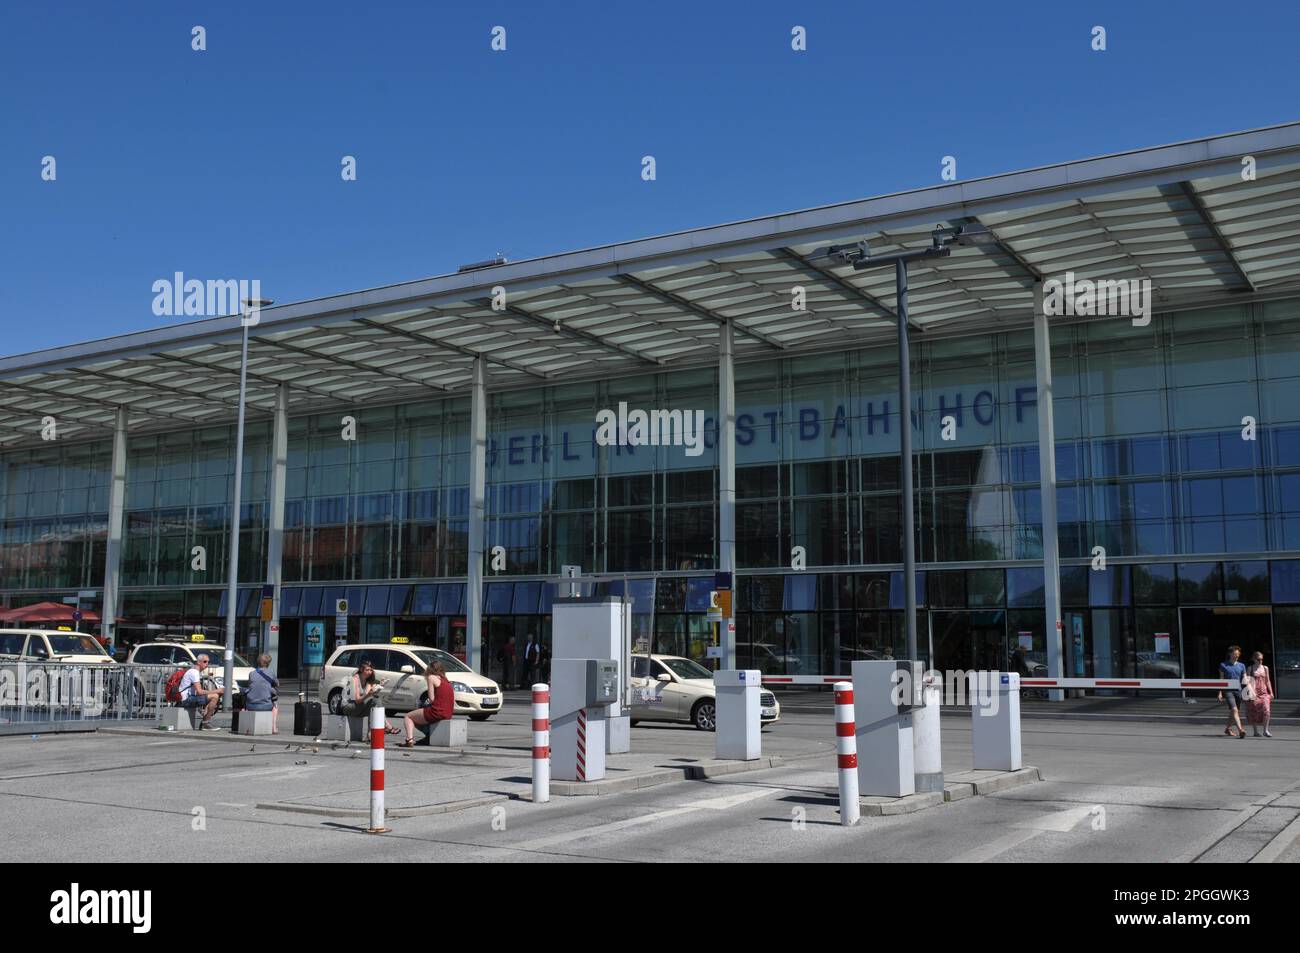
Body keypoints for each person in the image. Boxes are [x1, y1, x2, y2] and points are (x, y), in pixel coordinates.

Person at [401, 660, 455, 747]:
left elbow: (431, 699)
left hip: (437, 711)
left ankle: (409, 740)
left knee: (408, 717)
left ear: (429, 669)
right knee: (419, 716)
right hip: (448, 713)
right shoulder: (446, 681)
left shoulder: (431, 677)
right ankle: (429, 736)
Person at [340, 658, 399, 734]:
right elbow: (358, 700)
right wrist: (368, 694)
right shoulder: (355, 679)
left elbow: (370, 695)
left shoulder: (368, 680)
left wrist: (380, 686)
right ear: (361, 669)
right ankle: (387, 727)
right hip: (348, 707)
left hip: (358, 707)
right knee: (374, 701)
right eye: (367, 670)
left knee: (375, 702)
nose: (369, 672)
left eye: (371, 670)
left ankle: (370, 733)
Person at [178, 653, 222, 730]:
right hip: (186, 699)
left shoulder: (196, 672)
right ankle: (206, 723)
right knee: (215, 696)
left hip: (189, 697)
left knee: (213, 696)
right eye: (205, 662)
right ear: (198, 662)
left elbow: (199, 692)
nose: (207, 664)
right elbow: (200, 692)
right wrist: (217, 690)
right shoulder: (194, 672)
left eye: (208, 662)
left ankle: (205, 723)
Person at [243, 653, 279, 735]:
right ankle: (273, 727)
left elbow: (251, 685)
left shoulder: (251, 674)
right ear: (269, 663)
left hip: (250, 705)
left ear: (258, 662)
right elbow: (277, 684)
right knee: (275, 705)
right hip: (266, 706)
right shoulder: (271, 672)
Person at [1218, 645, 1247, 739]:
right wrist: (1220, 692)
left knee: (1234, 711)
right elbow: (1221, 679)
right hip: (1228, 690)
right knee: (1234, 710)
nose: (1237, 655)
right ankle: (1241, 730)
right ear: (1230, 654)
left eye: (1238, 654)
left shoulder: (1242, 665)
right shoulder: (1223, 665)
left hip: (1238, 690)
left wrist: (1248, 689)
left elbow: (1245, 678)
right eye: (1235, 654)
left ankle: (1228, 728)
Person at [1244, 650, 1274, 738]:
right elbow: (1248, 682)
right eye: (1258, 659)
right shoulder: (1250, 668)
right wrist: (1251, 692)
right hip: (1254, 692)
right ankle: (1255, 731)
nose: (1260, 661)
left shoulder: (1265, 668)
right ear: (1254, 659)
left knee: (1267, 710)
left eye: (1261, 659)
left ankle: (1265, 730)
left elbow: (1267, 681)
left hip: (1264, 692)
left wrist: (1271, 692)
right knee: (1253, 710)